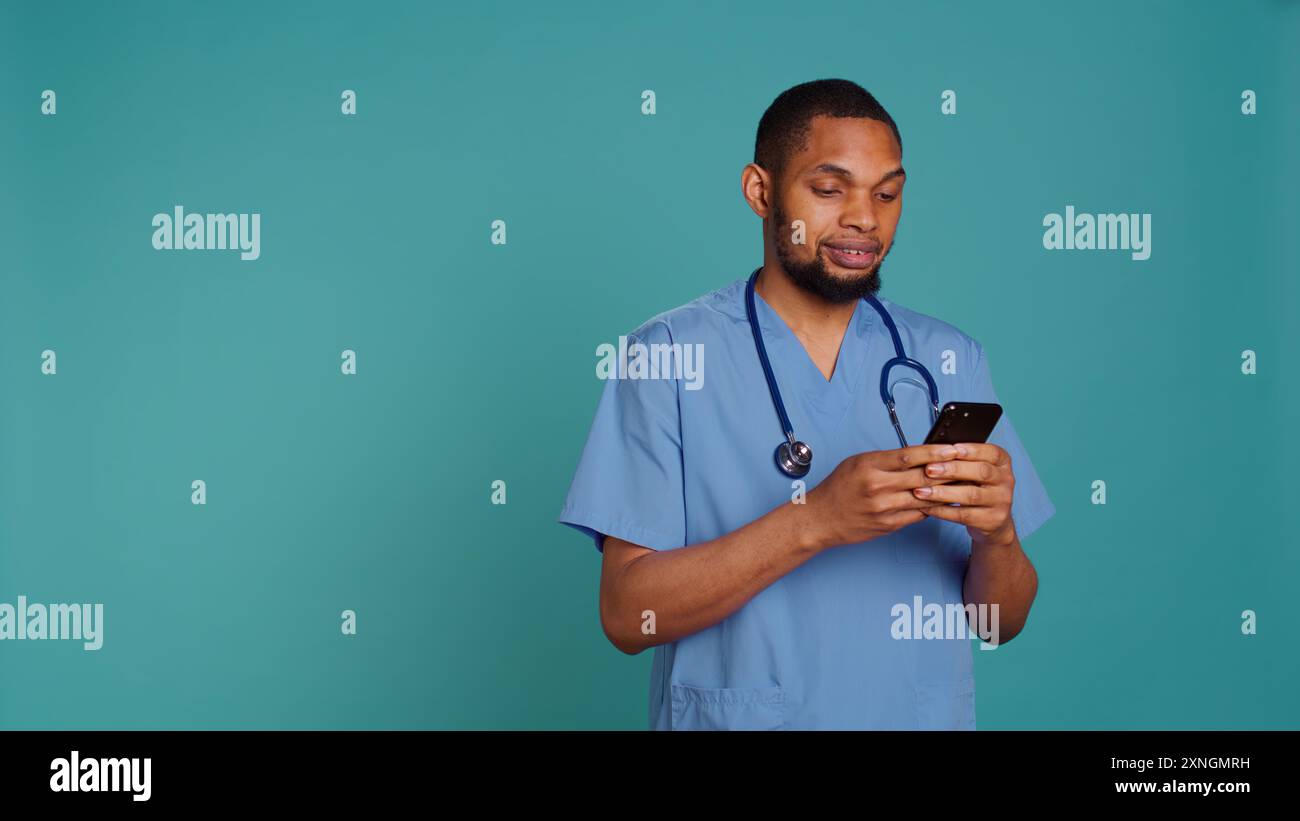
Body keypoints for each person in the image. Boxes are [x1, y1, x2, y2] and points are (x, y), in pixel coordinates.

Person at [558, 79, 1055, 730]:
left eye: (887, 192)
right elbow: (627, 615)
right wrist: (815, 519)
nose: (864, 218)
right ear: (761, 192)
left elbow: (999, 623)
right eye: (829, 189)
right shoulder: (667, 355)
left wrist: (998, 536)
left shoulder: (946, 358)